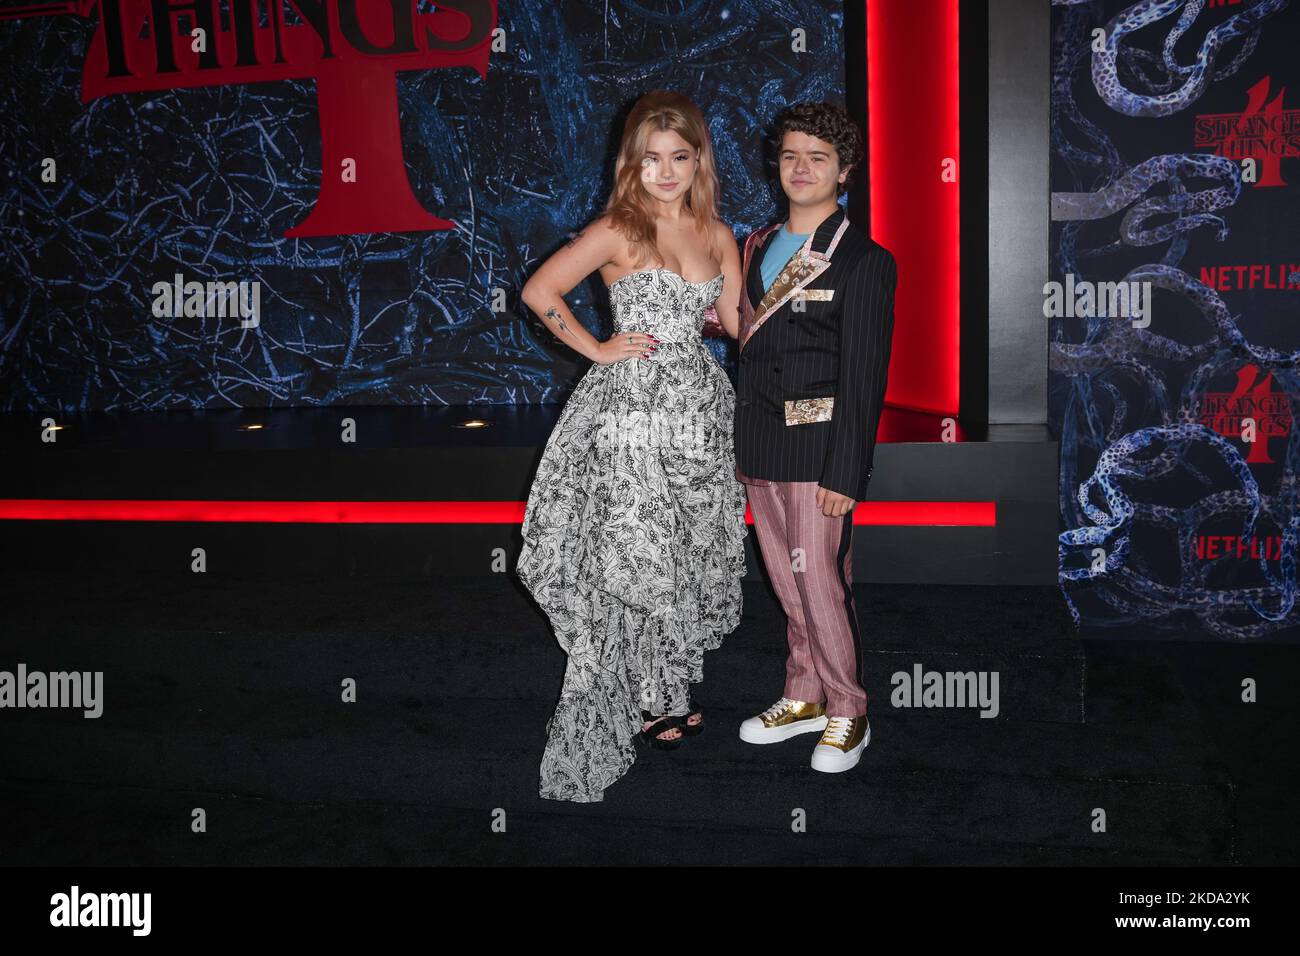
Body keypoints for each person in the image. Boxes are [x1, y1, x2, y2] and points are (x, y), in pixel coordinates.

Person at [516, 90, 748, 803]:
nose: (667, 171)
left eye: (680, 157)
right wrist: (597, 348)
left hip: (702, 414)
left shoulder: (716, 231)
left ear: (698, 160)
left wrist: (805, 318)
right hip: (635, 414)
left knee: (681, 548)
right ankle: (642, 698)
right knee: (636, 551)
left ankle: (666, 686)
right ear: (633, 164)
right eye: (652, 159)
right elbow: (540, 291)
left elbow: (741, 322)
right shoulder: (619, 226)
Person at [734, 102, 897, 774]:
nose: (801, 169)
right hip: (759, 444)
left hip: (818, 451)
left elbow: (864, 378)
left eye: (818, 158)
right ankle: (804, 695)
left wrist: (845, 472)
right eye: (790, 156)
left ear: (845, 171)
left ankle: (849, 710)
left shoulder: (863, 259)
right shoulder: (753, 244)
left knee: (823, 585)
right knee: (787, 582)